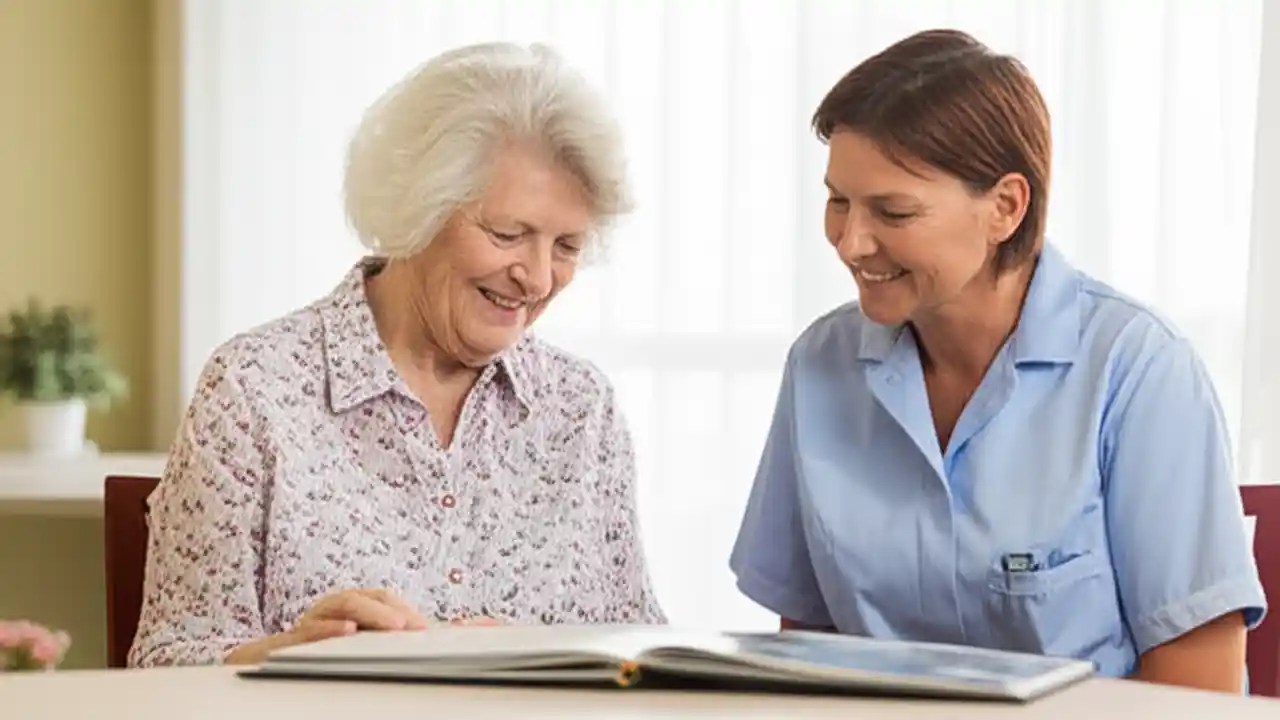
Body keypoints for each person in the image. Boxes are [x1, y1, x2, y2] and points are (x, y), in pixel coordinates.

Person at [729, 29, 1266, 692]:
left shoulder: (1140, 373)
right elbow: (805, 650)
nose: (850, 241)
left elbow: (1197, 688)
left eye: (893, 211)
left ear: (1006, 207)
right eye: (838, 201)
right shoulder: (819, 366)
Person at [129, 42, 665, 668]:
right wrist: (284, 656)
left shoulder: (580, 408)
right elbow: (164, 661)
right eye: (507, 234)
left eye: (567, 245)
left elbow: (641, 651)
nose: (539, 277)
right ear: (419, 209)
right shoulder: (255, 389)